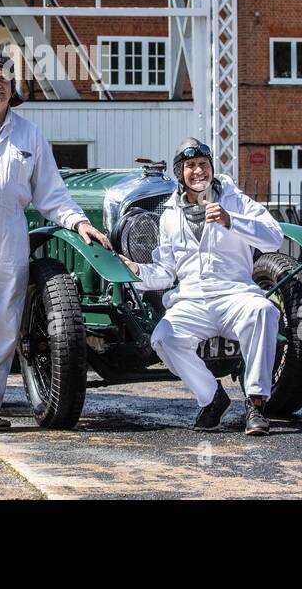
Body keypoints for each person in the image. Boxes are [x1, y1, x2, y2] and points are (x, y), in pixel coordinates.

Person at [0, 48, 112, 438]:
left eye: (5, 80)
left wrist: (79, 223)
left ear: (14, 89)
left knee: (4, 324)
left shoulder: (29, 134)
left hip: (12, 231)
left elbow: (51, 193)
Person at [120, 138, 284, 435]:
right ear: (180, 173)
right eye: (191, 166)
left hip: (235, 292)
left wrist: (231, 220)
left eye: (203, 164)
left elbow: (274, 236)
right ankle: (212, 398)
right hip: (192, 299)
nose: (198, 171)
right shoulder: (169, 215)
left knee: (263, 311)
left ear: (212, 167)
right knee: (164, 338)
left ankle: (256, 404)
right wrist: (135, 271)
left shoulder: (234, 200)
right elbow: (166, 272)